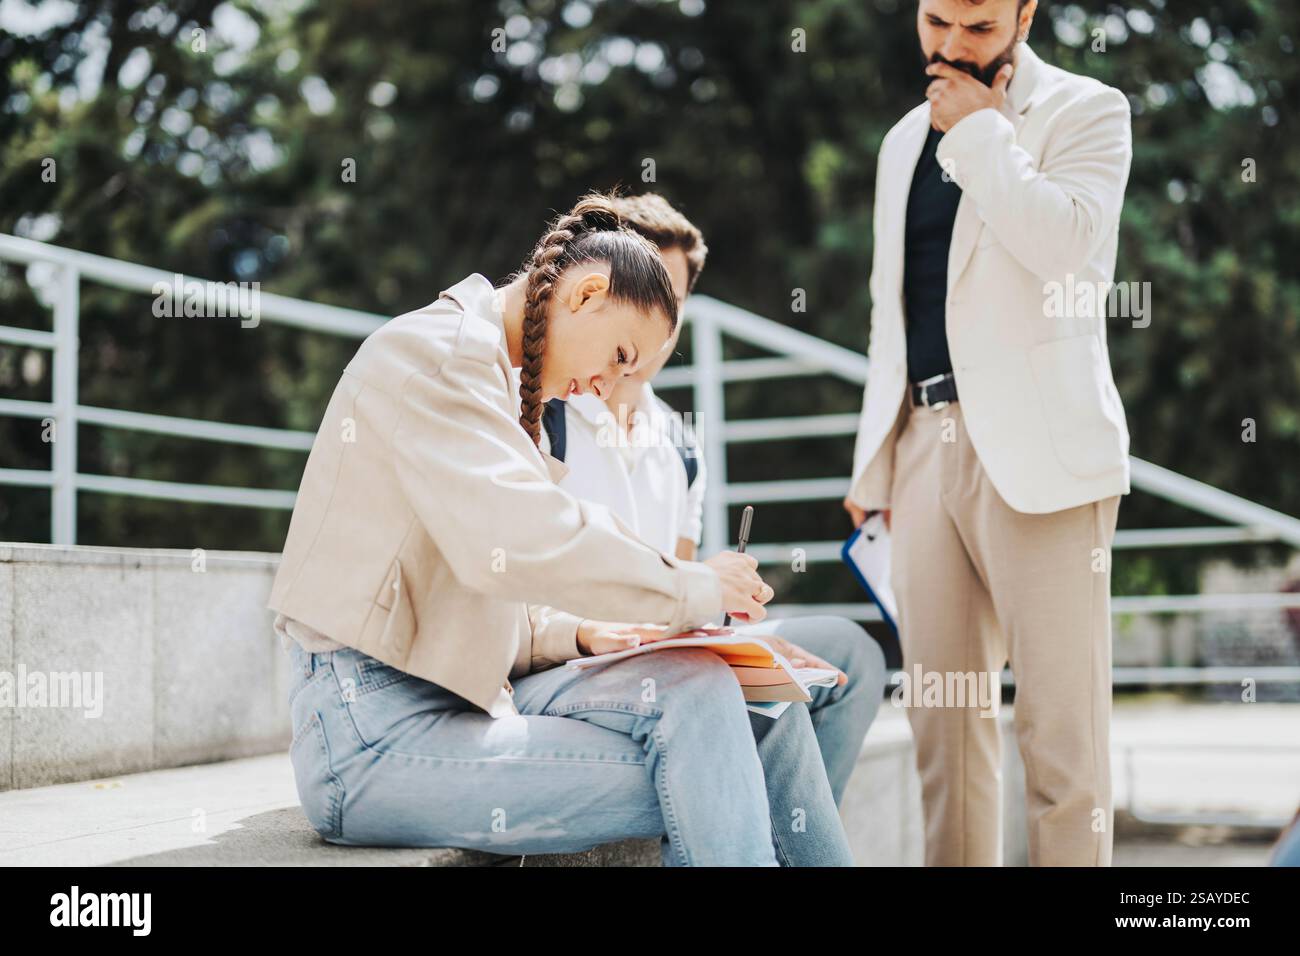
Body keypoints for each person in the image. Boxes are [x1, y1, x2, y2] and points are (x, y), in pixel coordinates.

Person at [271, 191, 853, 866]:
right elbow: (518, 541)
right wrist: (692, 585)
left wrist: (576, 633)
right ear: (586, 293)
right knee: (719, 763)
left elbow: (484, 586)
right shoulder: (438, 356)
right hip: (366, 736)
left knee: (749, 712)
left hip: (463, 701)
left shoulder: (496, 380)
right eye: (618, 355)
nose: (604, 386)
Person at [843, 0, 1132, 866]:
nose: (951, 46)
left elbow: (1068, 251)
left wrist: (979, 135)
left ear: (1025, 13)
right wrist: (876, 460)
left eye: (977, 27)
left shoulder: (1087, 110)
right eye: (936, 22)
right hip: (924, 448)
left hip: (1043, 453)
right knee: (944, 727)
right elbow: (888, 314)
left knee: (1061, 737)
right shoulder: (900, 142)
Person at [536, 192, 887, 809]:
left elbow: (686, 597)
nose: (654, 327)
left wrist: (729, 615)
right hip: (581, 656)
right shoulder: (546, 412)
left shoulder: (680, 439)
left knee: (851, 654)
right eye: (645, 296)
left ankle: (778, 833)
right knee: (768, 708)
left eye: (672, 304)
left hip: (669, 646)